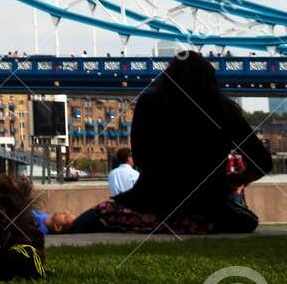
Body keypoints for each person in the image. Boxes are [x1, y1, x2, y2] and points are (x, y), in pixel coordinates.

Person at [72, 52, 271, 235]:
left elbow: (140, 159)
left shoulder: (149, 103)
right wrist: (235, 180)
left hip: (147, 201)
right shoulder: (226, 110)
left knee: (82, 223)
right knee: (247, 220)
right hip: (208, 209)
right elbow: (263, 162)